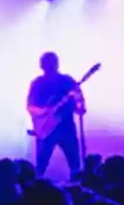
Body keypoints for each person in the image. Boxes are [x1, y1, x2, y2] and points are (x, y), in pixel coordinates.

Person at [27, 52, 84, 180]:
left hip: (66, 127)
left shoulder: (67, 81)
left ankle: (77, 189)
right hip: (46, 129)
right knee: (40, 166)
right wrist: (44, 112)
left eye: (52, 64)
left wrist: (79, 105)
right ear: (42, 66)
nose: (50, 67)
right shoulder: (38, 83)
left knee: (75, 165)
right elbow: (31, 106)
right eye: (47, 64)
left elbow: (78, 99)